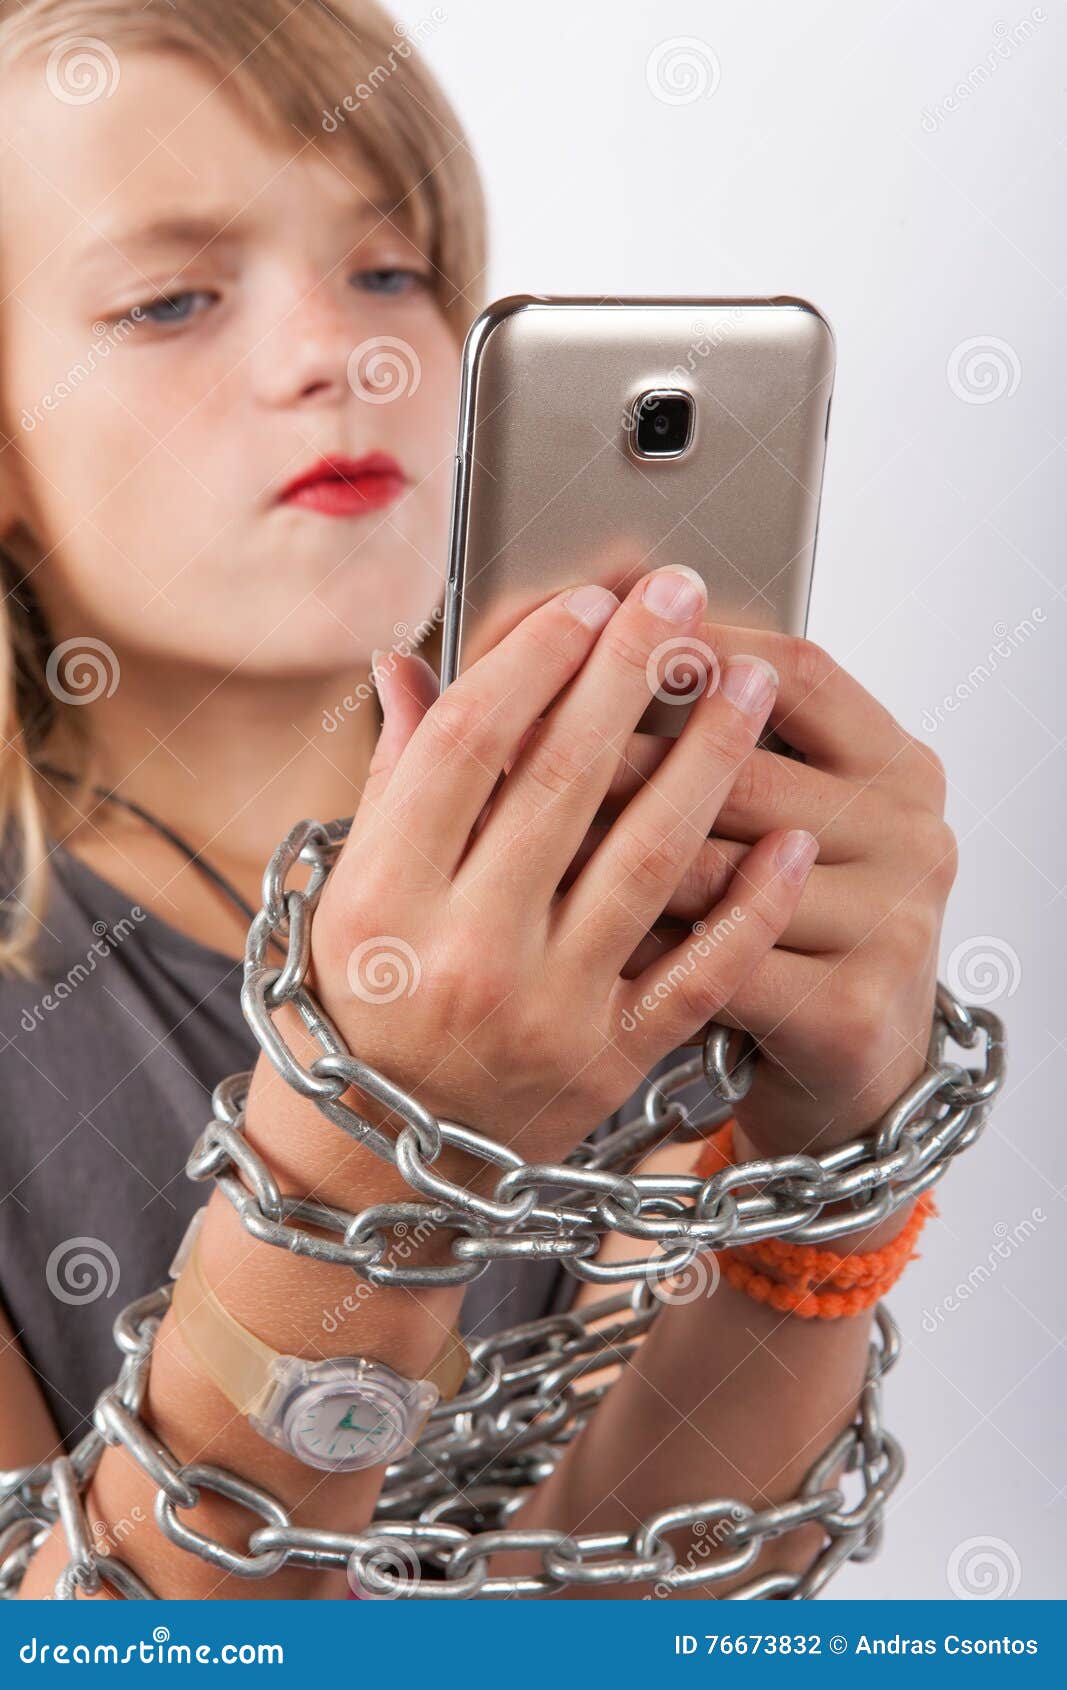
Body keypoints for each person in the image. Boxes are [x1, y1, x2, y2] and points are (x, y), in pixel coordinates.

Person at [0, 0, 957, 1600]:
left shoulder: (631, 889)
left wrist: (824, 1167)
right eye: (171, 300)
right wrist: (379, 1143)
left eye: (391, 273)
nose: (343, 351)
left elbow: (620, 1603)